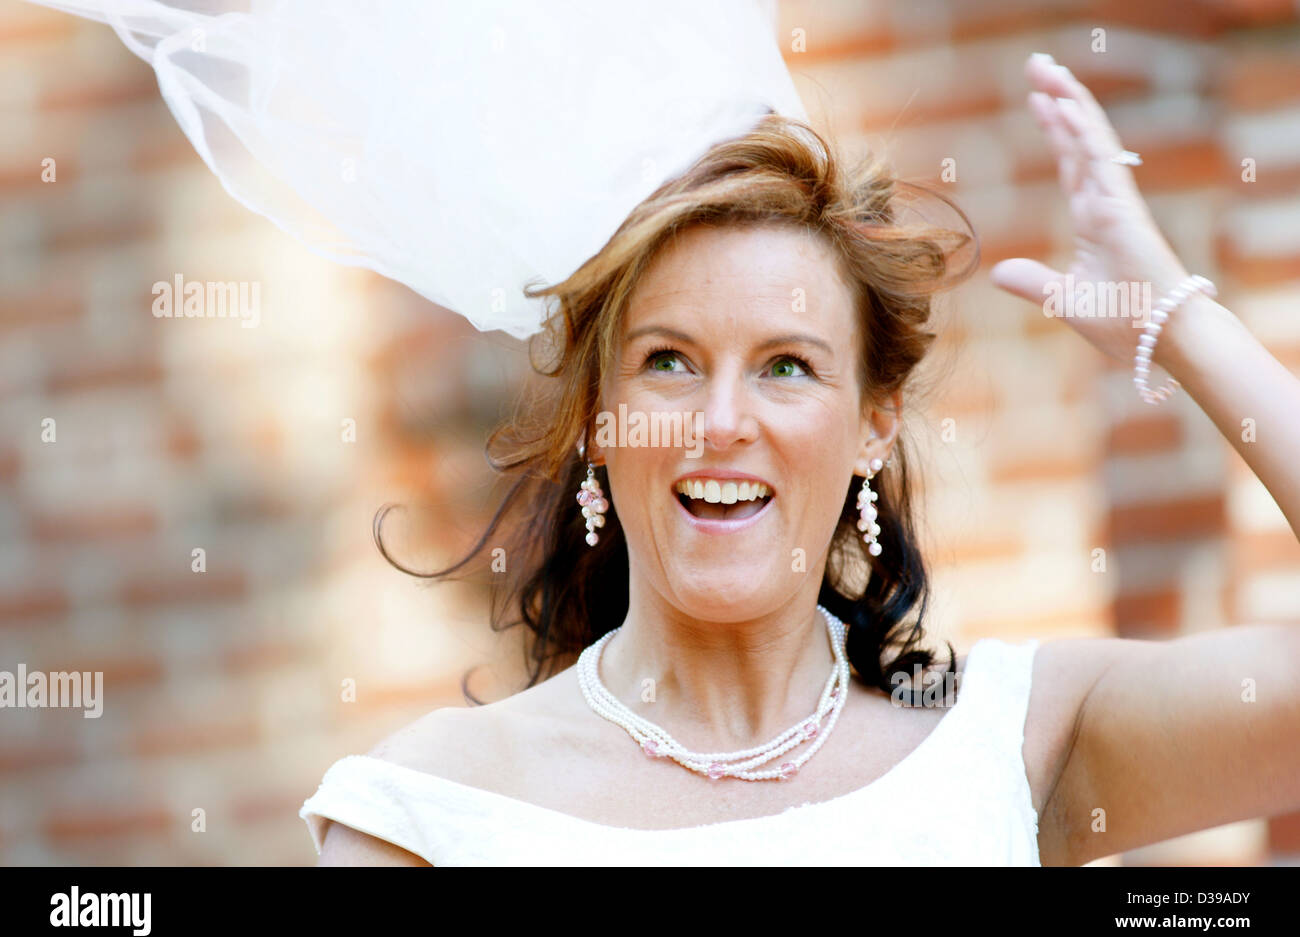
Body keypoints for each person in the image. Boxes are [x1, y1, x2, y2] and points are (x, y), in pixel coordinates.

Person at [298, 54, 1300, 865]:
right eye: (669, 362)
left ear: (874, 422)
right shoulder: (432, 807)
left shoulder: (1017, 741)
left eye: (785, 365)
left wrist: (1179, 322)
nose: (723, 419)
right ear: (600, 421)